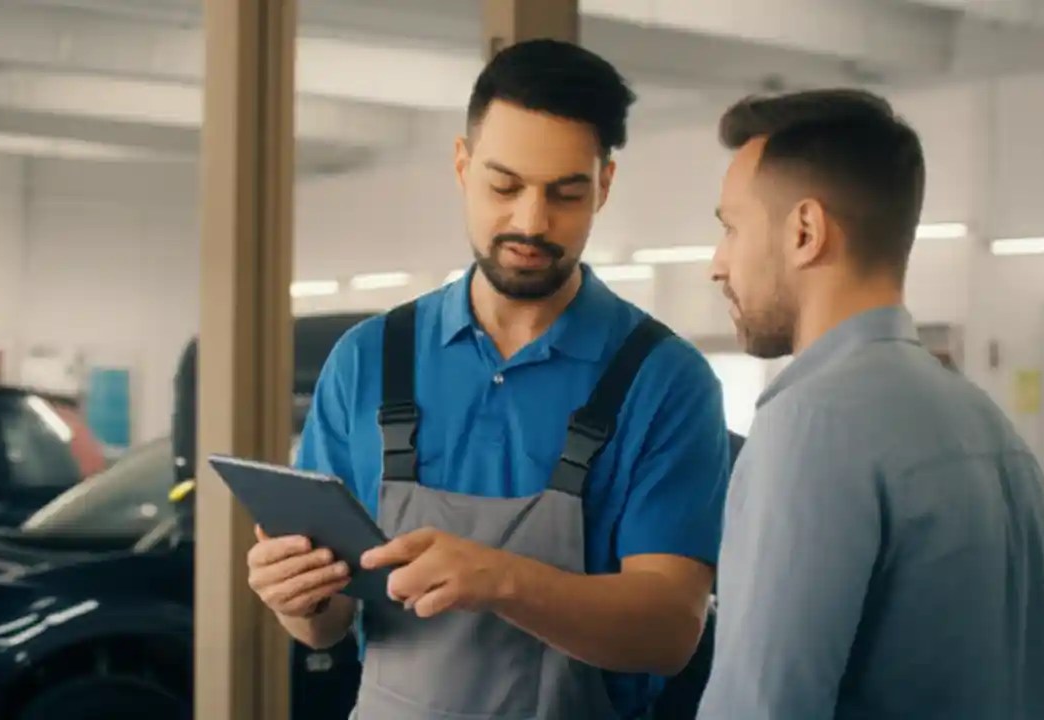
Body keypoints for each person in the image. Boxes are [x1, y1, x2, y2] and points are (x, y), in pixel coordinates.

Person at [247, 39, 730, 719]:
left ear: (604, 185)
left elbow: (669, 632)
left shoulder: (665, 381)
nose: (531, 222)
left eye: (566, 193)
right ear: (462, 165)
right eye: (504, 187)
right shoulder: (367, 359)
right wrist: (296, 597)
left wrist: (502, 579)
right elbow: (325, 627)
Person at [696, 89, 1044, 719]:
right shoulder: (988, 425)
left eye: (731, 228)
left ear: (805, 232)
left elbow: (760, 707)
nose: (717, 263)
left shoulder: (808, 426)